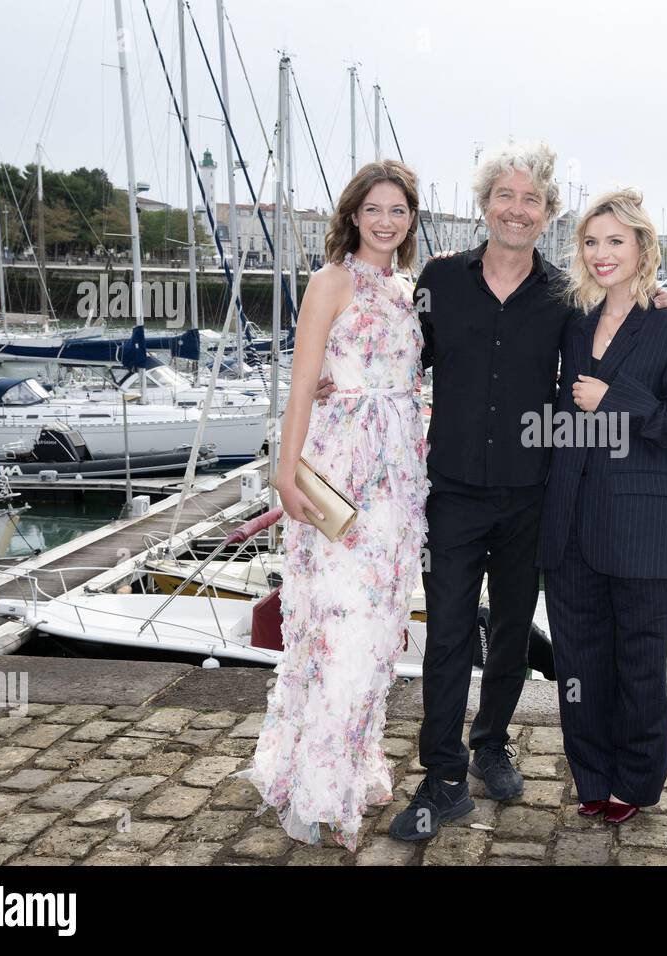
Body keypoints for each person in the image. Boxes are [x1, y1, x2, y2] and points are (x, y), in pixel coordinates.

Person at [316, 143, 667, 842]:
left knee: (512, 634)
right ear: (485, 205)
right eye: (505, 197)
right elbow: (394, 351)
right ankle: (445, 774)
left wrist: (659, 302)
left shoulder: (564, 298)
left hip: (531, 494)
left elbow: (616, 326)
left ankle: (491, 744)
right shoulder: (440, 282)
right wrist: (338, 373)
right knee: (449, 634)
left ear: (546, 214)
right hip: (450, 490)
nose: (517, 210)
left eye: (532, 200)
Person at [233, 160, 427, 852]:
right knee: (336, 630)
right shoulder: (328, 282)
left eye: (398, 210)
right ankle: (317, 788)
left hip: (400, 480)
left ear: (410, 219)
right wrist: (285, 477)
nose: (385, 220)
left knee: (377, 635)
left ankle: (349, 762)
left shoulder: (408, 288)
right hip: (339, 473)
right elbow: (301, 384)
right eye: (374, 209)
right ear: (352, 215)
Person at [537, 189, 667, 824]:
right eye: (591, 241)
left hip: (646, 531)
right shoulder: (573, 327)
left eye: (616, 240)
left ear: (642, 248)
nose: (602, 253)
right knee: (579, 664)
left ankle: (635, 783)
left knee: (639, 664)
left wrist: (614, 397)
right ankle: (592, 773)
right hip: (571, 529)